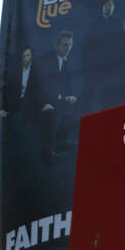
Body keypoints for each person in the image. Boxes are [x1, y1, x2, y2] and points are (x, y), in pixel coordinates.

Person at [37, 31, 81, 163]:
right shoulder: (46, 61)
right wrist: (44, 103)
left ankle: (61, 141)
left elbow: (65, 86)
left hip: (56, 99)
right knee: (50, 113)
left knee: (76, 104)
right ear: (56, 45)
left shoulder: (65, 62)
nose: (68, 48)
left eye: (70, 45)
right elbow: (38, 86)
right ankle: (47, 153)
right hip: (40, 100)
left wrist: (69, 96)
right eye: (64, 45)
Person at [83, 0, 125, 111]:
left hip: (113, 66)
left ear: (114, 8)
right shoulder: (94, 25)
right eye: (106, 5)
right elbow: (87, 47)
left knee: (110, 97)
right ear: (102, 8)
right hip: (96, 66)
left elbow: (122, 43)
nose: (108, 8)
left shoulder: (118, 23)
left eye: (110, 5)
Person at [0, 45, 41, 121]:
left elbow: (39, 91)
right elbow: (8, 90)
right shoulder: (15, 72)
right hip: (15, 105)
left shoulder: (37, 71)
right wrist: (3, 108)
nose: (25, 58)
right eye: (23, 56)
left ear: (31, 56)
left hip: (31, 106)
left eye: (27, 55)